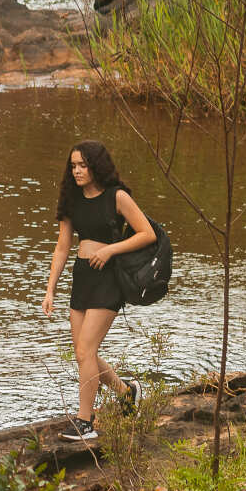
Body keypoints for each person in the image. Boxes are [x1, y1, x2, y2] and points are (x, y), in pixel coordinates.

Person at [41, 141, 155, 442]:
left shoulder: (117, 197)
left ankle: (85, 421)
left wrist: (110, 251)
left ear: (96, 166)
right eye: (73, 165)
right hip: (82, 277)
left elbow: (147, 233)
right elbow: (63, 246)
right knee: (83, 354)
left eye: (83, 165)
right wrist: (50, 289)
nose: (77, 171)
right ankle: (127, 392)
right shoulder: (71, 200)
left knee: (85, 351)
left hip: (108, 278)